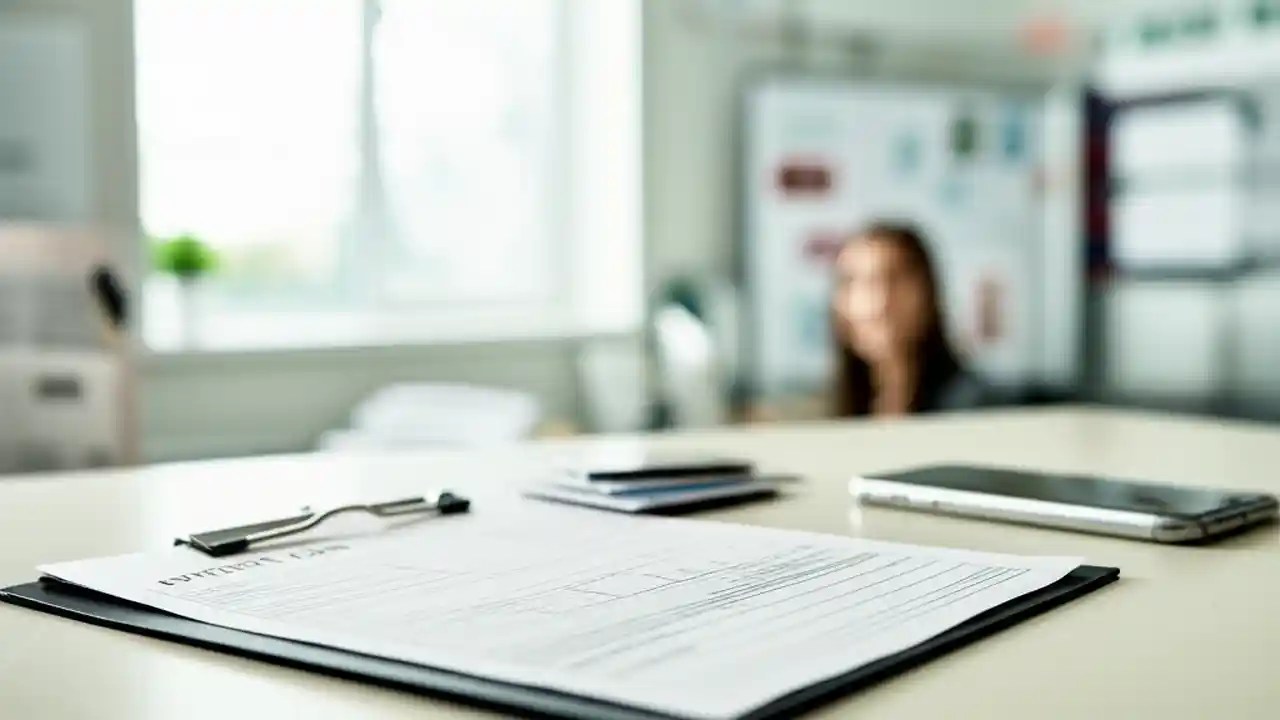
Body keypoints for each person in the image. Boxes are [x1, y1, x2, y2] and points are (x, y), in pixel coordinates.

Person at [830, 221, 986, 417]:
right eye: (860, 282)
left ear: (928, 294)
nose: (879, 304)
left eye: (894, 279)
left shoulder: (976, 408)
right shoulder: (821, 415)